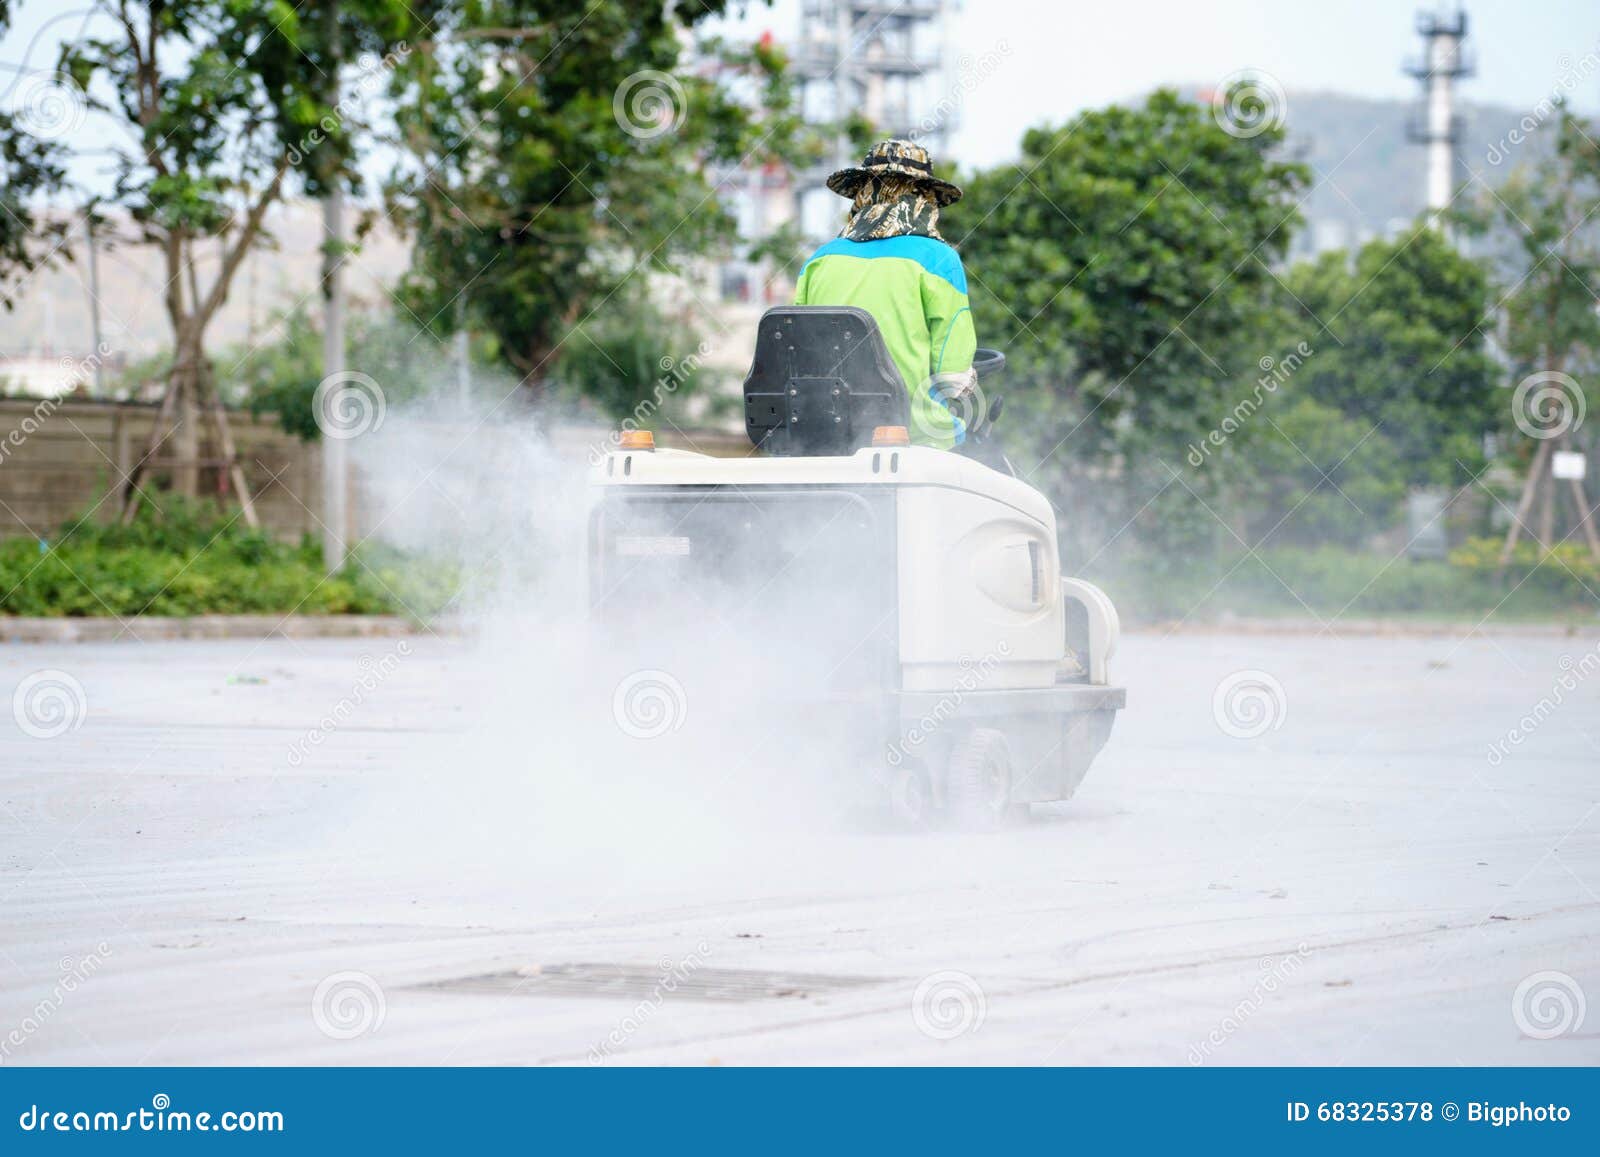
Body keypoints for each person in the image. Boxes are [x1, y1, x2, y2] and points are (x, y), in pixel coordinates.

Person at [793, 139, 978, 449]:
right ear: (924, 198)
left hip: (825, 432)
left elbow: (797, 346)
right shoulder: (938, 258)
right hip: (914, 433)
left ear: (862, 194)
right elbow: (953, 371)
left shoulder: (819, 260)